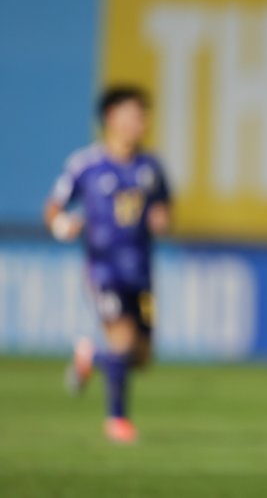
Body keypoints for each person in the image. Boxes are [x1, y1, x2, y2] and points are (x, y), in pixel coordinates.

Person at [44, 85, 171, 443]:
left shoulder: (152, 167)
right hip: (104, 269)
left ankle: (90, 357)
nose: (140, 123)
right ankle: (117, 421)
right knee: (122, 339)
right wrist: (62, 225)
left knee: (142, 357)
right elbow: (53, 207)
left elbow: (163, 208)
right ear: (111, 118)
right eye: (133, 114)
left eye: (142, 116)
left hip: (141, 271)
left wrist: (162, 219)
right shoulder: (85, 165)